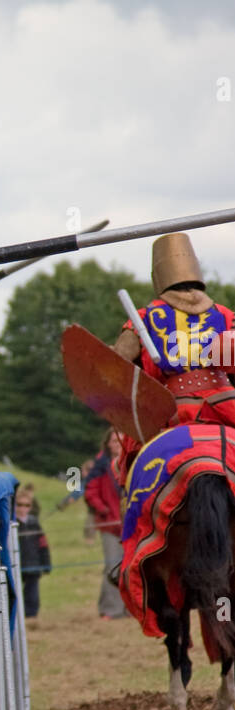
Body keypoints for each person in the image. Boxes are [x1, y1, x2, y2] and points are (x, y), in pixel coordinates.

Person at [113, 232, 235, 476]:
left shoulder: (144, 318)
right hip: (223, 406)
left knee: (129, 467)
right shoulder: (224, 315)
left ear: (157, 277)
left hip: (167, 411)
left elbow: (117, 367)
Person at [84, 429, 127, 620]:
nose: (117, 443)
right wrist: (103, 510)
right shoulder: (100, 465)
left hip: (130, 524)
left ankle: (128, 608)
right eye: (114, 440)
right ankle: (111, 609)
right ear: (108, 443)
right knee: (112, 565)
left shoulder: (134, 461)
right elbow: (90, 491)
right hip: (110, 524)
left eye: (121, 440)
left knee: (129, 567)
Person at [14, 485, 51, 625]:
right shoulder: (11, 523)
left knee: (32, 595)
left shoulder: (34, 523)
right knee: (16, 594)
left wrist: (46, 563)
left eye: (26, 505)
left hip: (33, 564)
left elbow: (43, 545)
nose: (23, 508)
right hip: (18, 565)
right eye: (19, 505)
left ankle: (31, 619)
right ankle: (18, 619)